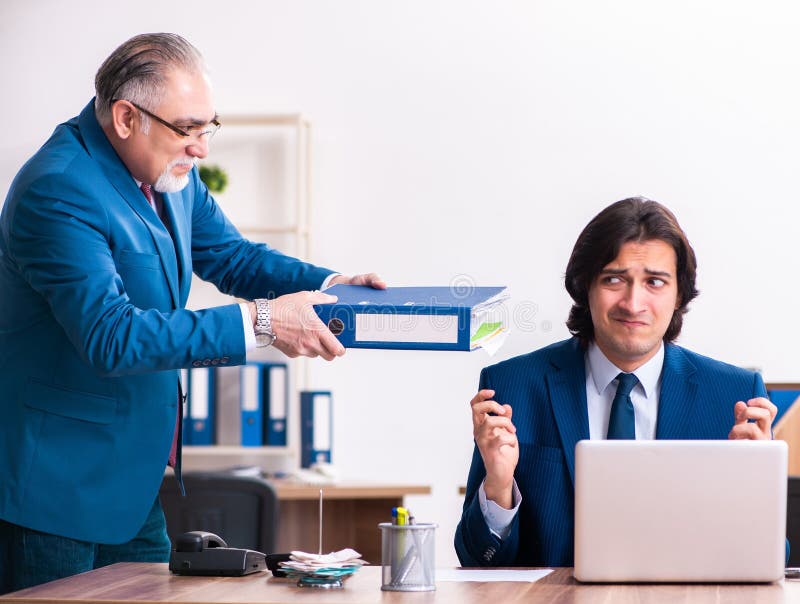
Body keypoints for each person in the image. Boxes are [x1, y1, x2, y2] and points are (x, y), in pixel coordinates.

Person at [0, 33, 384, 593]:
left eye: (209, 127)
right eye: (188, 129)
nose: (202, 148)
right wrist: (265, 323)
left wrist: (331, 286)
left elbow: (230, 256)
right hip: (54, 495)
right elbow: (112, 336)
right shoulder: (58, 189)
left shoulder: (170, 173)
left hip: (132, 487)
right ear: (127, 117)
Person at [454, 197, 778, 567]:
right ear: (584, 287)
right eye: (613, 279)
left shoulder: (734, 396)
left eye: (655, 282)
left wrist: (753, 485)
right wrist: (498, 484)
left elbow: (769, 561)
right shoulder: (513, 386)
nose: (632, 302)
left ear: (679, 296)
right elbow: (476, 560)